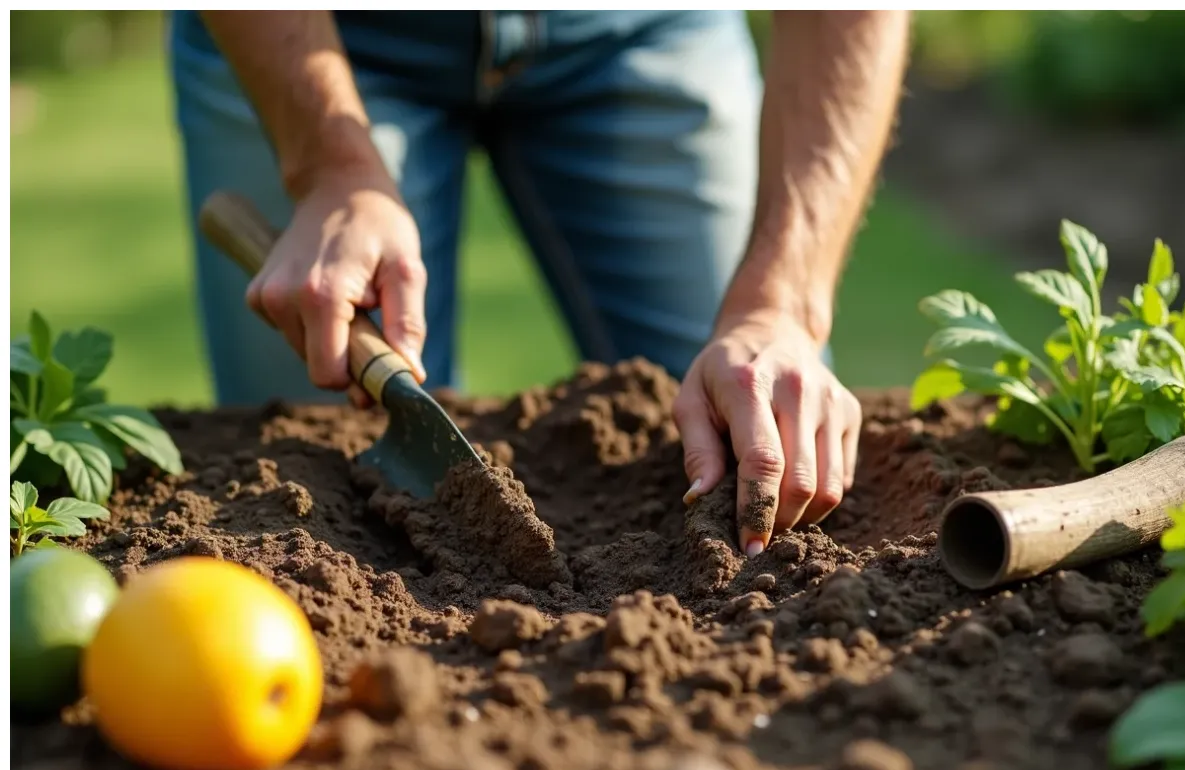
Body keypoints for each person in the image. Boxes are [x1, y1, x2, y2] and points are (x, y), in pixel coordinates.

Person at [169, 10, 909, 559]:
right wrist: (326, 167)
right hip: (327, 39)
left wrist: (782, 305)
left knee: (769, 435)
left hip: (636, 30)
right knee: (305, 477)